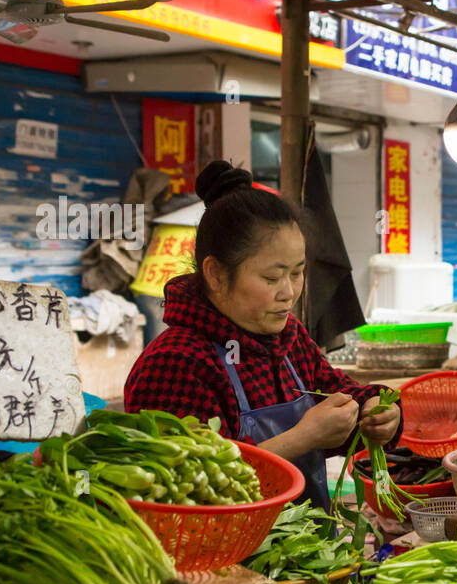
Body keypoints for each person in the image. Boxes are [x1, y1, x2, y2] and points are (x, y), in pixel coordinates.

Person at [125, 161, 402, 509]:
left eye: (298, 273)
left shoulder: (289, 340)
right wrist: (302, 438)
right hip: (224, 558)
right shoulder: (174, 364)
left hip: (307, 553)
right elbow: (187, 484)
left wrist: (378, 410)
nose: (288, 292)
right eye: (272, 279)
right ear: (215, 275)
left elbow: (344, 391)